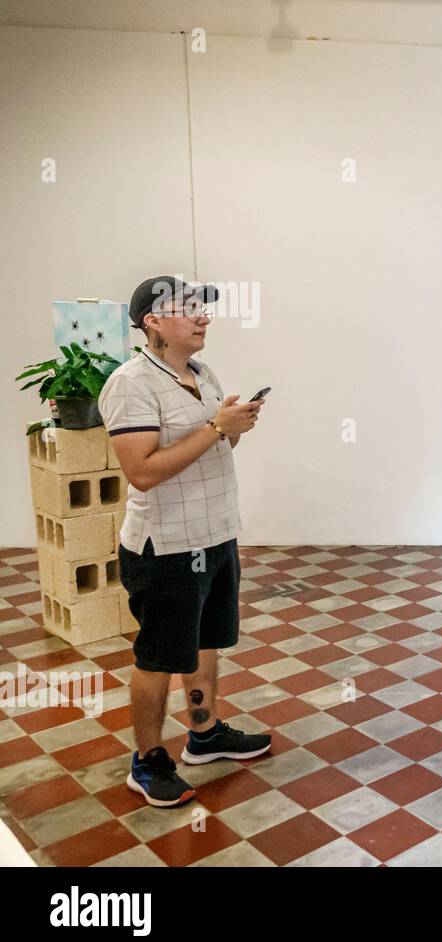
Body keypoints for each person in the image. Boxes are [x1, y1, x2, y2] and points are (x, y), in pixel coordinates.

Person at [97, 275, 270, 808]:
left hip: (215, 535)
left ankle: (204, 731)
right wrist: (216, 429)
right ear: (152, 322)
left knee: (204, 642)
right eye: (186, 308)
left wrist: (235, 425)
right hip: (165, 548)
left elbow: (214, 445)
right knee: (158, 656)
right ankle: (146, 762)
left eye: (203, 308)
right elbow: (142, 472)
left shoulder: (202, 373)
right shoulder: (131, 384)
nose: (202, 317)